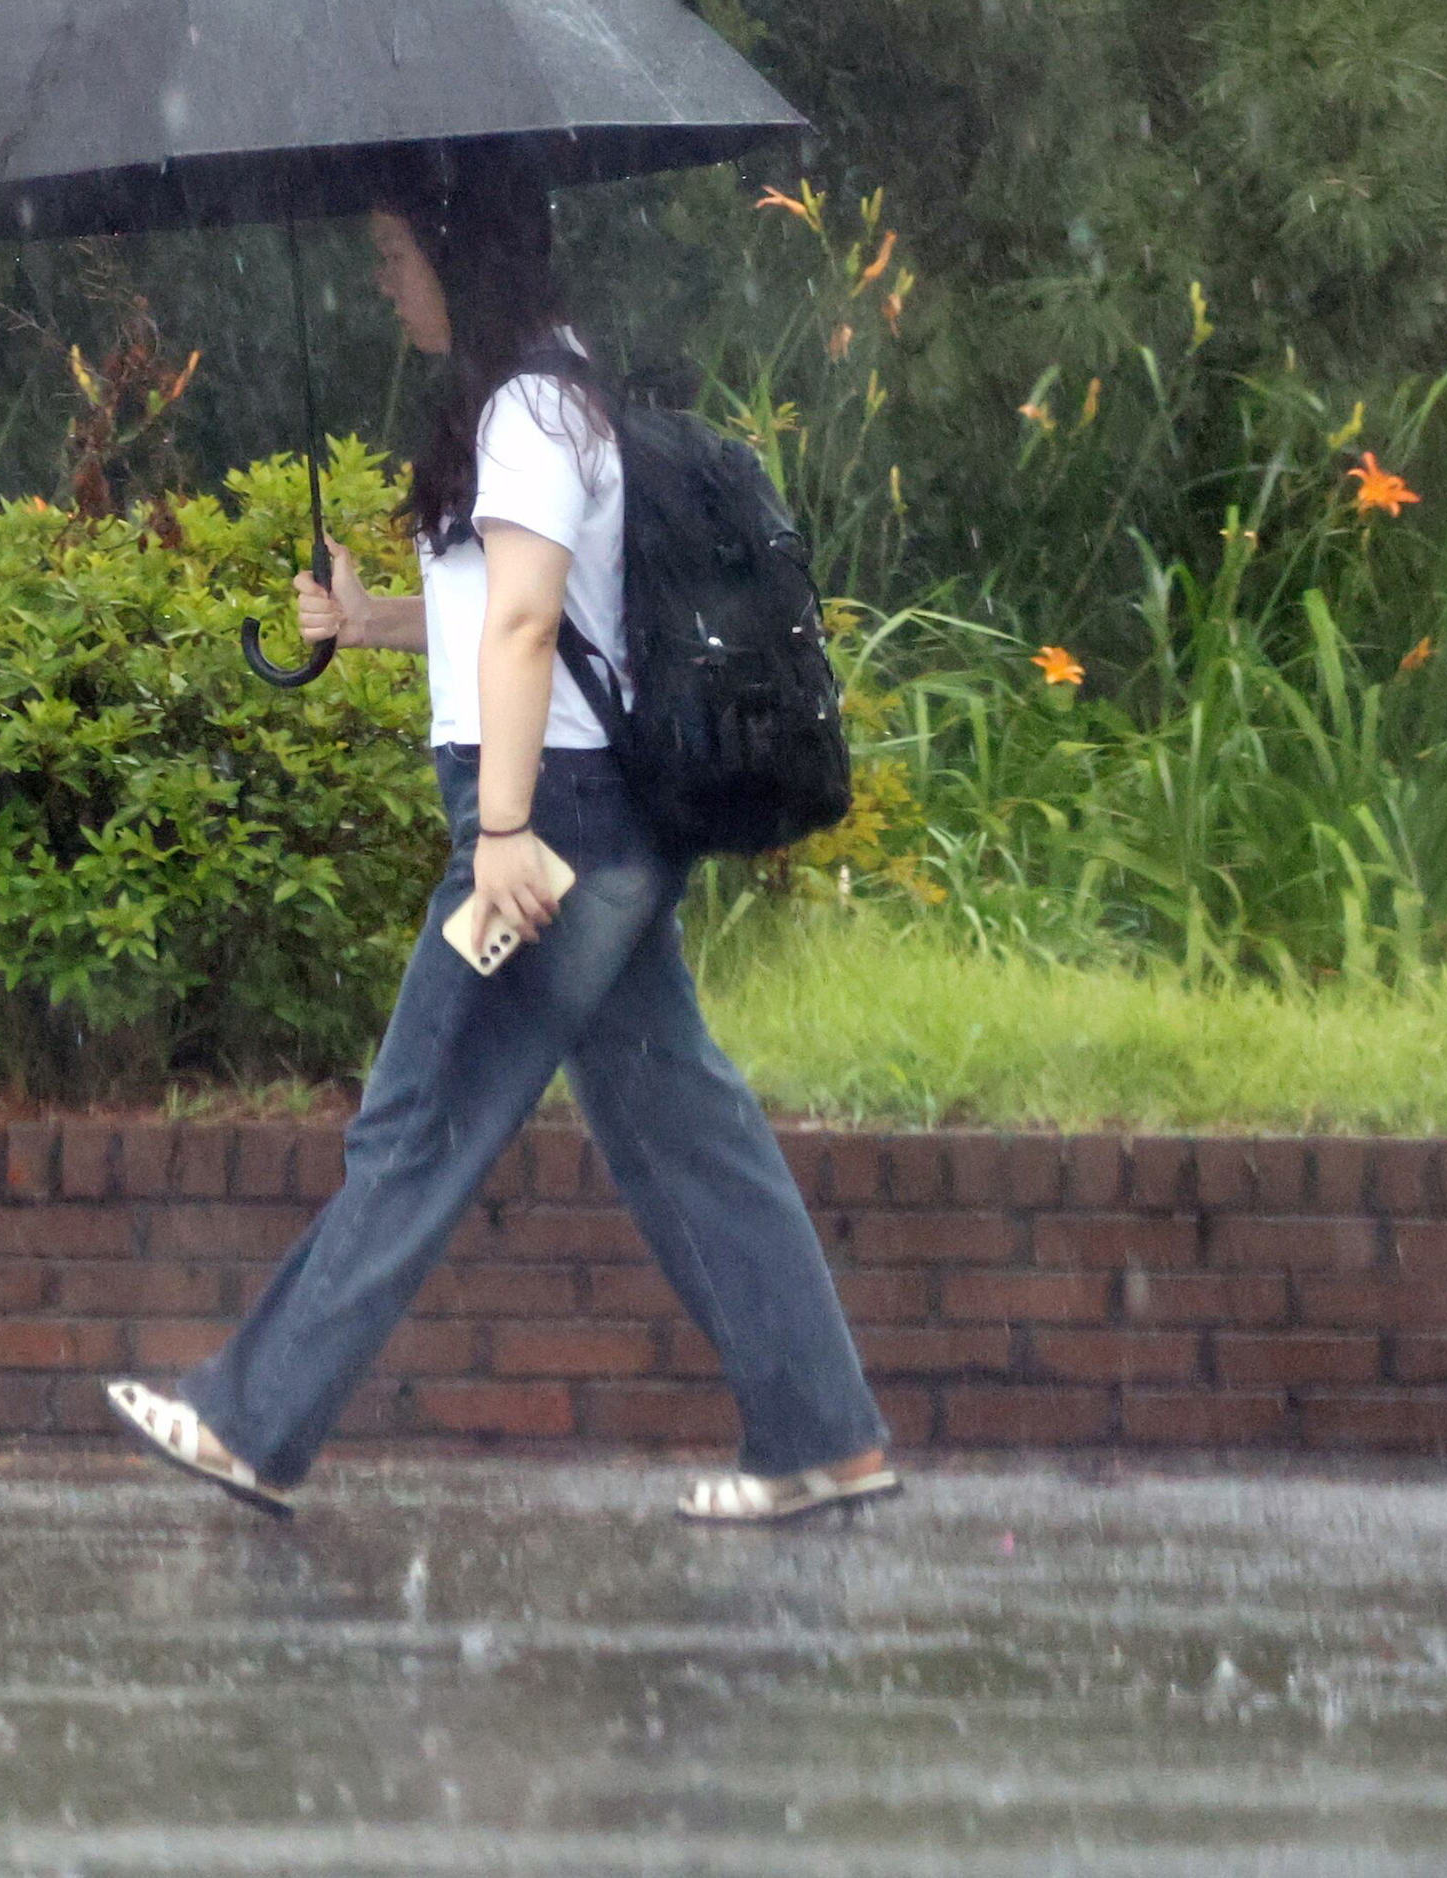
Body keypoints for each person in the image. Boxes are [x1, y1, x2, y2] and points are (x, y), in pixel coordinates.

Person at [103, 181, 897, 1526]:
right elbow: (519, 614)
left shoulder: (527, 412)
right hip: (594, 818)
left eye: (393, 252)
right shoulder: (549, 394)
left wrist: (502, 837)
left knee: (419, 1119)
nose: (381, 280)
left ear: (458, 261)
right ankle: (823, 1433)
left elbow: (530, 631)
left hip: (555, 824)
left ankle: (252, 1419)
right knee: (678, 1127)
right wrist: (371, 625)